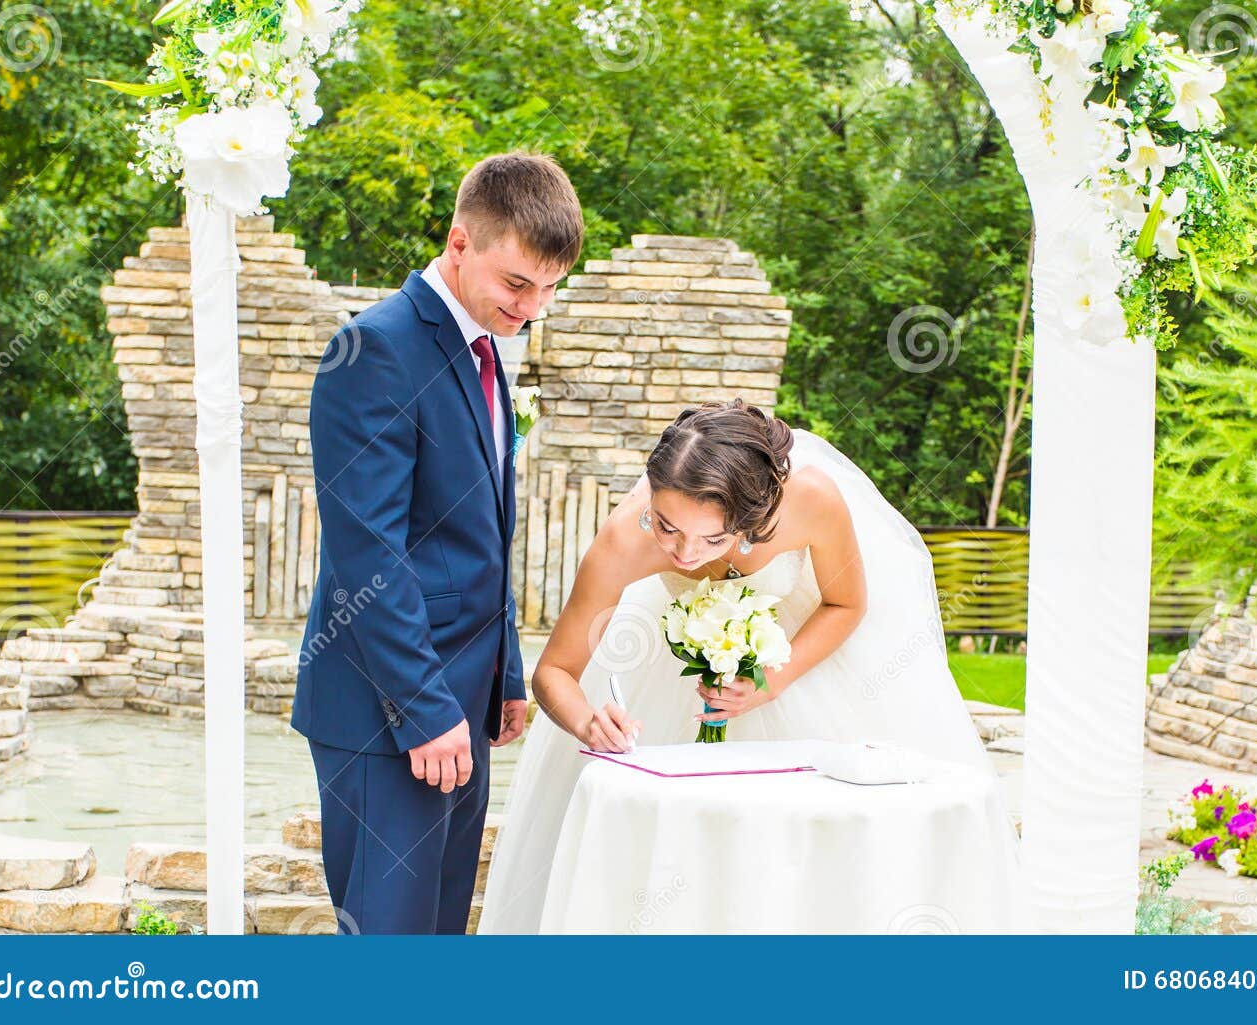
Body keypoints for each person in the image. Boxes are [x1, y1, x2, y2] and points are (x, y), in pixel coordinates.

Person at [477, 398, 998, 933]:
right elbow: (554, 673)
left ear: (753, 520)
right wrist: (588, 721)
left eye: (713, 538)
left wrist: (769, 681)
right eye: (666, 526)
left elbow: (847, 604)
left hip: (795, 668)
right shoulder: (623, 540)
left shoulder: (811, 500)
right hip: (664, 676)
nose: (683, 555)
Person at [293, 152, 582, 934]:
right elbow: (368, 553)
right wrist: (423, 708)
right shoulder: (377, 349)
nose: (532, 308)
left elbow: (476, 530)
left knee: (439, 940)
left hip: (463, 702)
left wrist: (505, 673)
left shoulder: (486, 346)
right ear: (460, 244)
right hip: (390, 715)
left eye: (550, 289)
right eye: (517, 284)